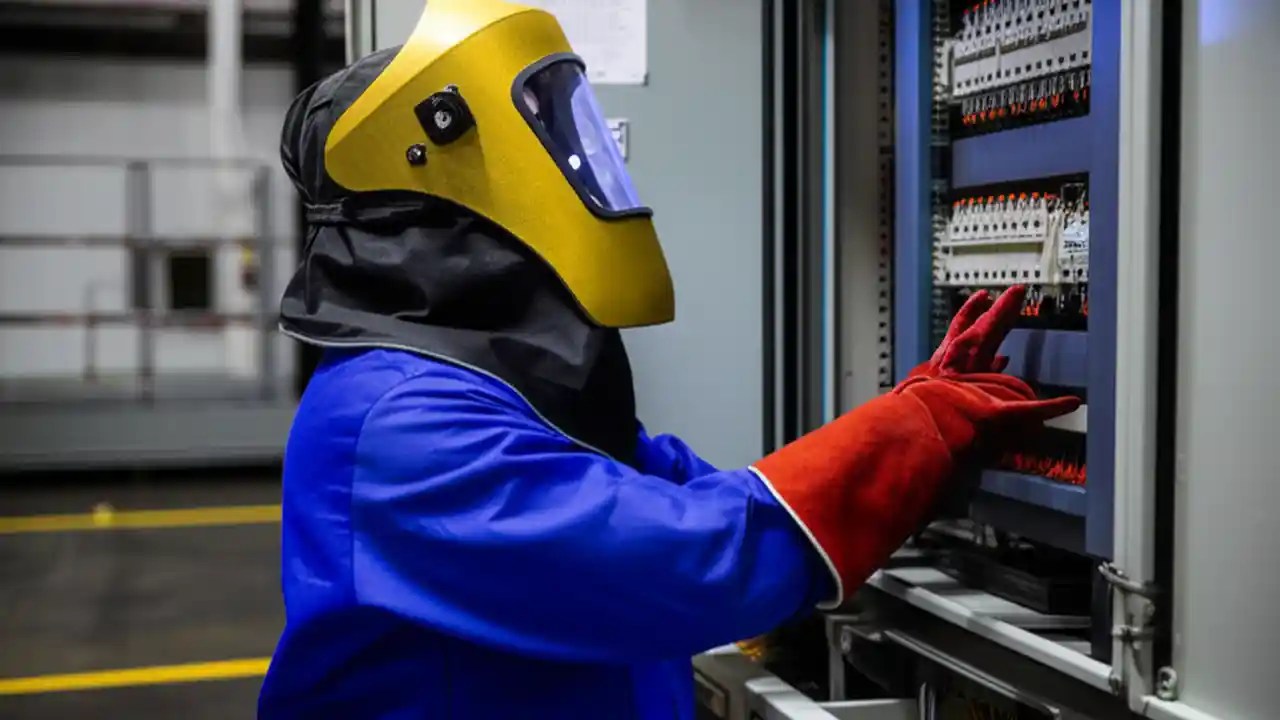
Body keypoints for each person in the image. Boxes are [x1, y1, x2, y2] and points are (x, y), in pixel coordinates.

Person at [257, 1, 1078, 717]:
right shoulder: (402, 423)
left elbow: (686, 491)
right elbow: (691, 558)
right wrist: (914, 431)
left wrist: (914, 425)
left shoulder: (480, 384)